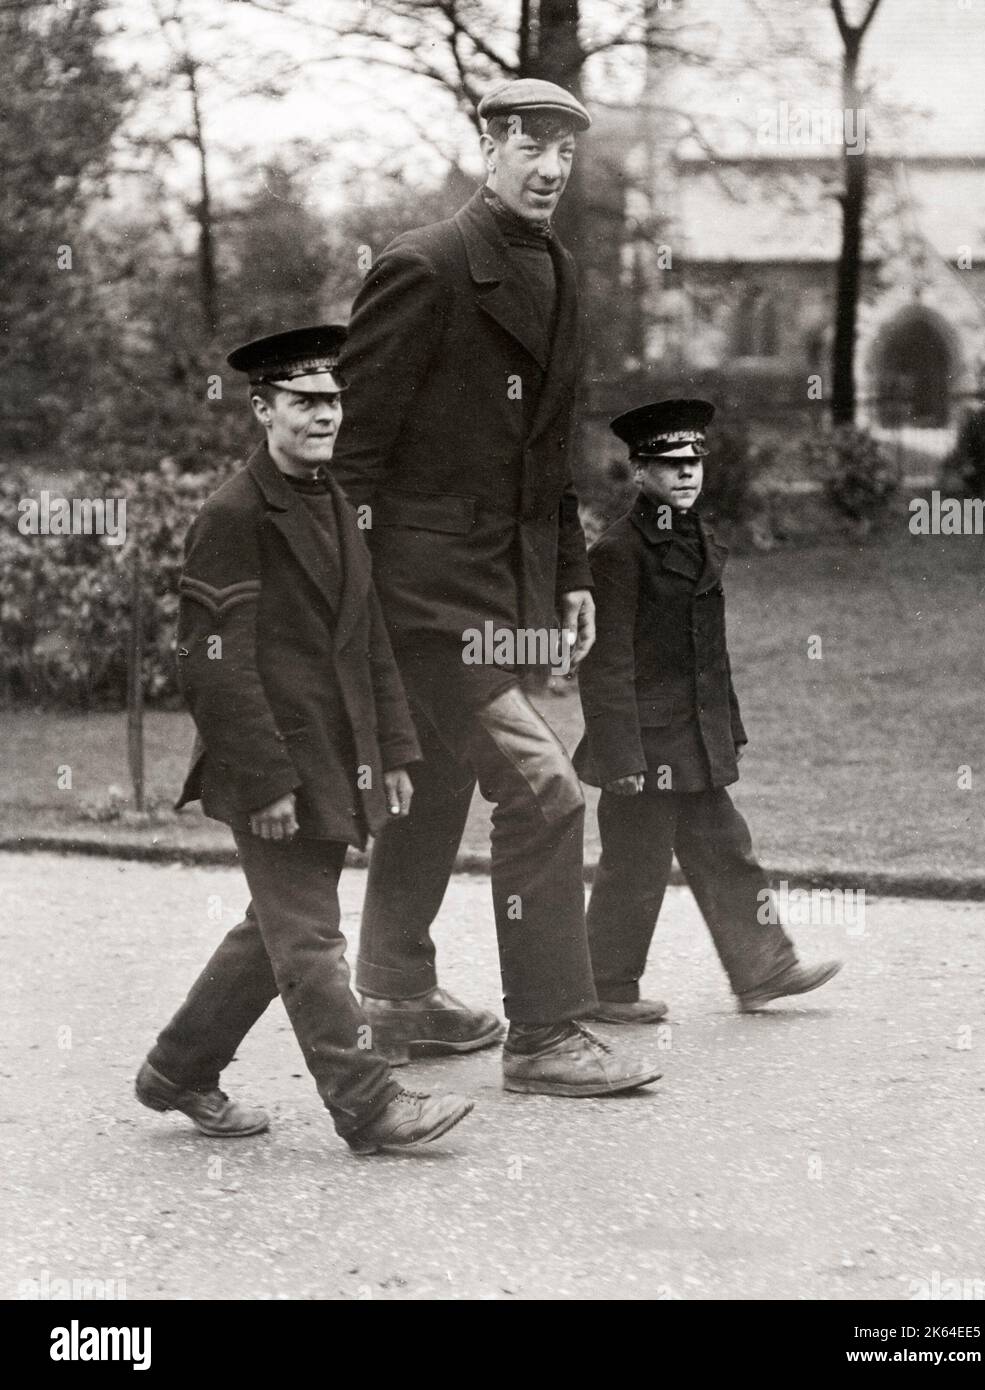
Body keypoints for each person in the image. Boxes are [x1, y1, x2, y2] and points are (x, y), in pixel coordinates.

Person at [333, 80, 660, 1097]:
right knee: (544, 789)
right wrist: (347, 607)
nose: (549, 169)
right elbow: (352, 461)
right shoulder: (423, 268)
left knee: (435, 786)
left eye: (563, 152)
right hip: (422, 595)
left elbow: (547, 451)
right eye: (526, 147)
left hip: (506, 588)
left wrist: (567, 575)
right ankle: (546, 1032)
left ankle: (392, 992)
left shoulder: (559, 269)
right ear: (487, 146)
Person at [135, 325, 473, 1153]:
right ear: (262, 411)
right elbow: (211, 663)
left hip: (332, 757)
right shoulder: (233, 514)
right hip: (273, 768)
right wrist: (265, 782)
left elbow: (368, 640)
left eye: (332, 400)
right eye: (304, 402)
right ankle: (369, 1105)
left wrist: (393, 749)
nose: (325, 416)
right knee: (312, 941)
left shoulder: (330, 499)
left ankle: (177, 1070)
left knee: (275, 932)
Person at [573, 398, 842, 1020]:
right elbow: (604, 663)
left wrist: (728, 730)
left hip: (690, 738)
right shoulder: (619, 552)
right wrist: (620, 757)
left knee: (726, 847)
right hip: (643, 744)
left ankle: (763, 969)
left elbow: (708, 655)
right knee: (634, 869)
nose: (687, 473)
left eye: (694, 462)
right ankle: (602, 990)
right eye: (670, 465)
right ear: (639, 473)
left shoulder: (698, 541)